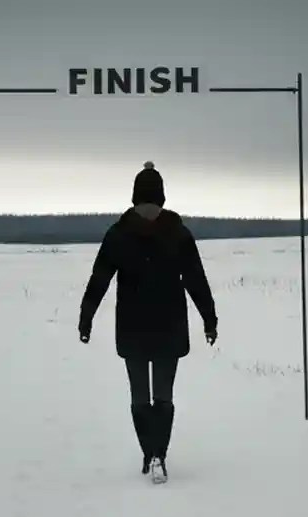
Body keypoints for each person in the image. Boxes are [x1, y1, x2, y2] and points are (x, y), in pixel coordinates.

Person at [78, 161, 218, 482]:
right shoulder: (178, 233)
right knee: (164, 395)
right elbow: (196, 281)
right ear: (162, 197)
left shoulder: (118, 234)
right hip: (170, 327)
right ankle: (159, 455)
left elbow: (99, 280)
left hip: (133, 328)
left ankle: (149, 453)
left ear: (134, 196)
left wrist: (86, 318)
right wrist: (209, 320)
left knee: (140, 396)